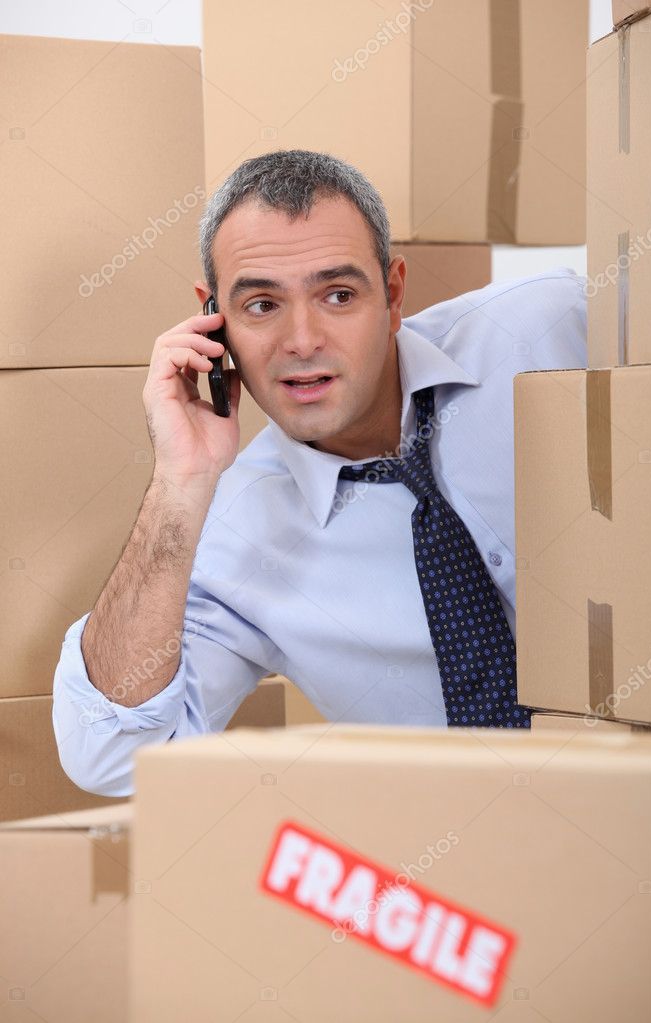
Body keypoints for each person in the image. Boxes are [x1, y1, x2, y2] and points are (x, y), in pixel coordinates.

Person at [52, 149, 587, 797]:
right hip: (491, 854)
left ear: (392, 294)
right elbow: (110, 755)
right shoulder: (237, 535)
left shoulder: (553, 327)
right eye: (260, 305)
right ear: (212, 318)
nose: (302, 339)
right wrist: (178, 480)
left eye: (338, 295)